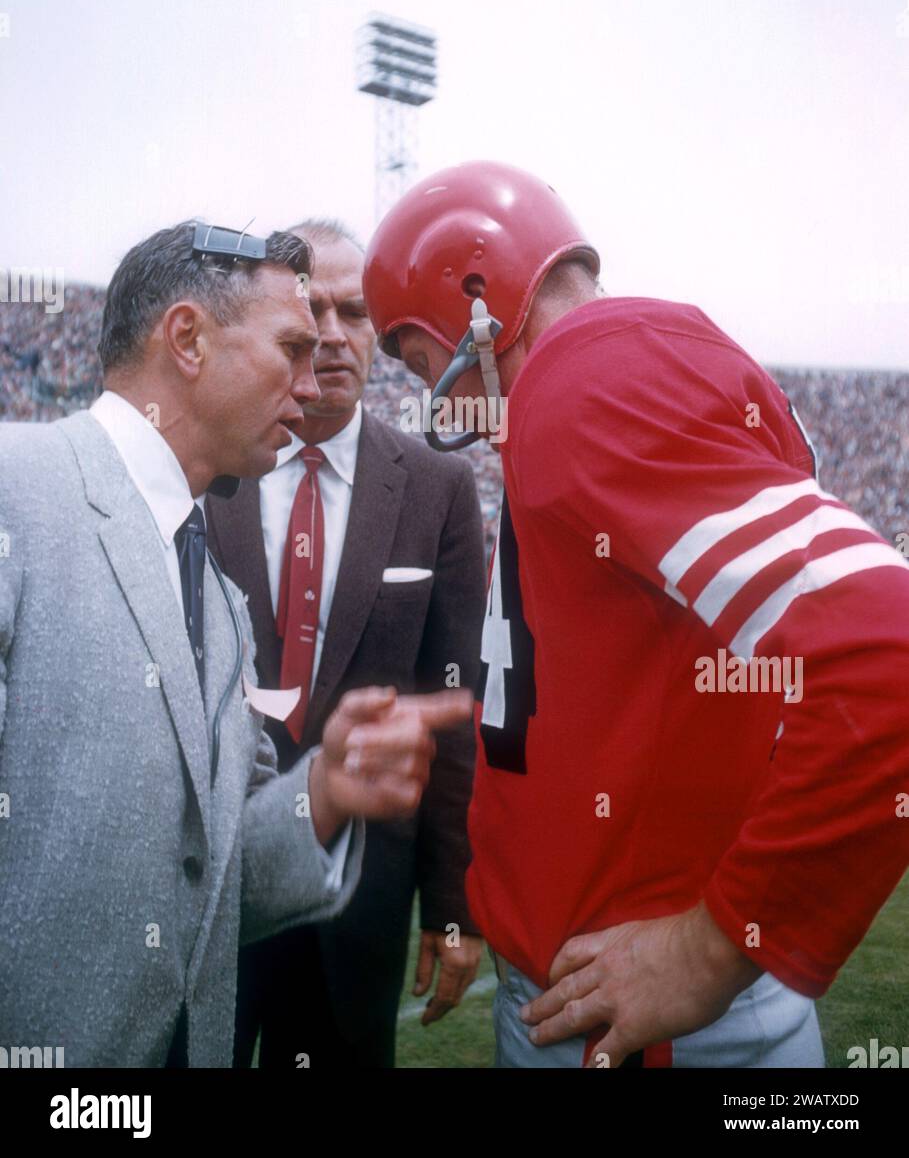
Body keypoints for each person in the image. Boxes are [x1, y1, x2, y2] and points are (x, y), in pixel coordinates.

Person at [362, 161, 909, 1069]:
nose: (442, 399)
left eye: (428, 362)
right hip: (586, 985)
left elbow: (886, 648)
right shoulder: (608, 373)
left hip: (642, 1024)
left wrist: (713, 948)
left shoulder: (587, 384)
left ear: (478, 299)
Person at [0, 219, 470, 1068]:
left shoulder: (210, 596)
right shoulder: (14, 493)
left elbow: (214, 878)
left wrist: (323, 791)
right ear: (187, 339)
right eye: (292, 344)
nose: (313, 378)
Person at [206, 219, 486, 1069]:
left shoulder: (437, 487)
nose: (330, 334)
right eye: (309, 310)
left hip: (358, 892)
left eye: (354, 312)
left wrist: (450, 904)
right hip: (213, 885)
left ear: (379, 332)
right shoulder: (206, 472)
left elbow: (454, 713)